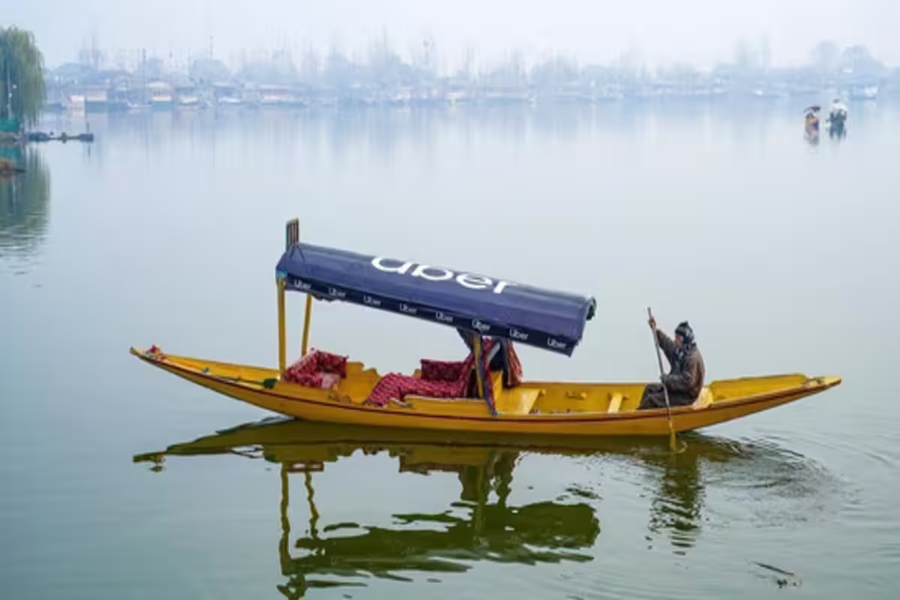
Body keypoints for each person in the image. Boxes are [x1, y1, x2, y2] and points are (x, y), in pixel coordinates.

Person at [639, 317, 706, 410]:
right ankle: (641, 412)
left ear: (685, 339)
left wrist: (668, 379)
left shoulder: (692, 358)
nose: (675, 340)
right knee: (649, 389)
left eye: (678, 338)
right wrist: (654, 329)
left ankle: (638, 419)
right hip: (675, 389)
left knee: (651, 400)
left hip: (685, 396)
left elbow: (687, 382)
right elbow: (667, 343)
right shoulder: (680, 351)